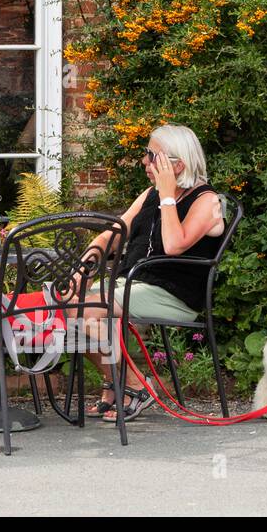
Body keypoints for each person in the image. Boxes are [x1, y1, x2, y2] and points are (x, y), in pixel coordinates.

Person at [72, 124, 225, 422]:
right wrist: (84, 269)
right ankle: (118, 383)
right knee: (64, 305)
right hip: (132, 283)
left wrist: (167, 196)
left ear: (176, 165)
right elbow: (114, 233)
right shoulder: (149, 195)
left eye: (151, 155)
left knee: (86, 312)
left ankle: (135, 387)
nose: (144, 161)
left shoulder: (206, 201)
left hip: (173, 294)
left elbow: (173, 244)